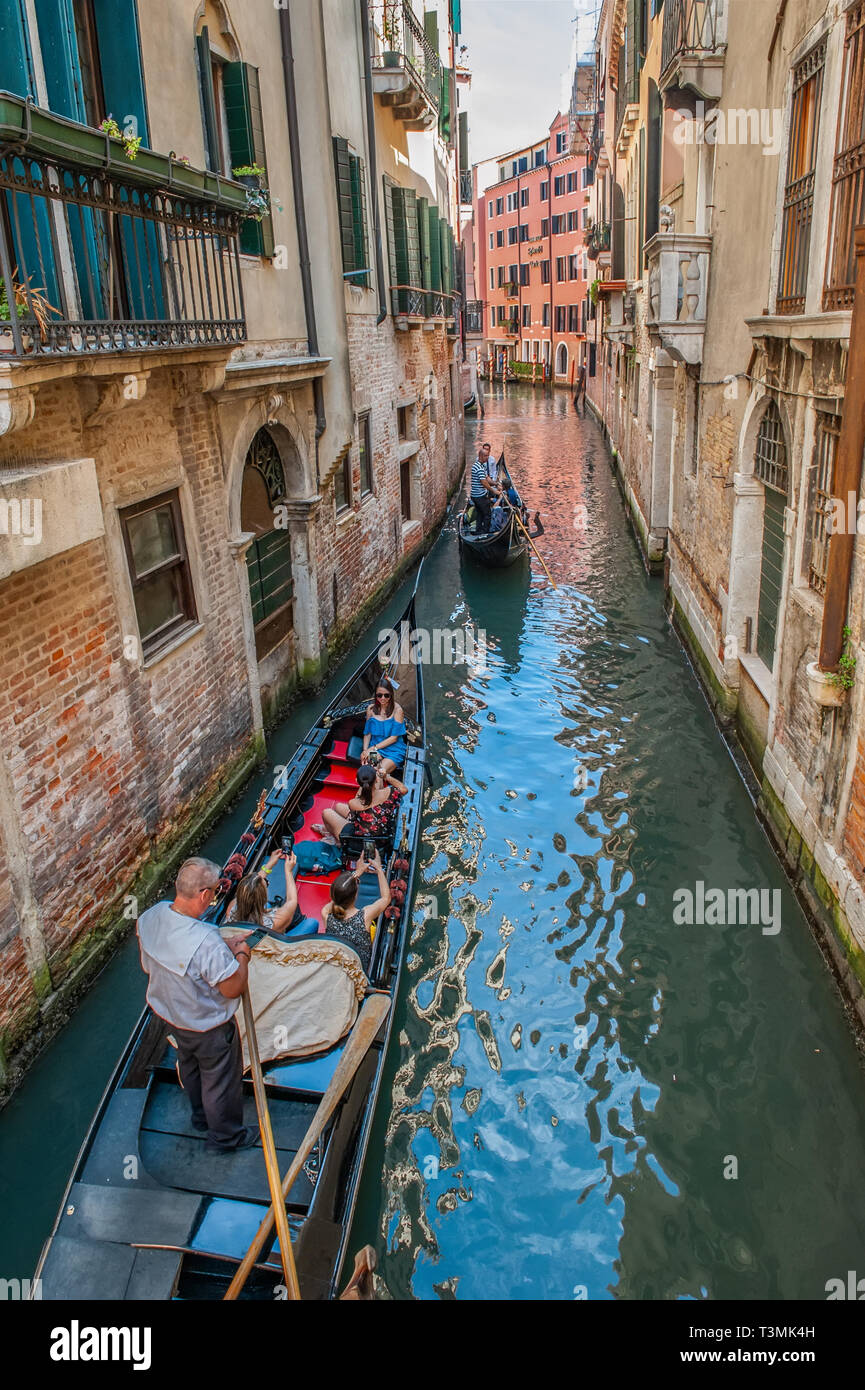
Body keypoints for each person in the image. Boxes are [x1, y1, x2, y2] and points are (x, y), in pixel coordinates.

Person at [136, 857, 257, 1155]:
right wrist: (241, 954)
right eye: (215, 892)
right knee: (219, 1080)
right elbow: (232, 988)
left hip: (170, 1017)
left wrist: (221, 946)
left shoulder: (150, 916)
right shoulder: (205, 942)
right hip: (209, 1027)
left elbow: (173, 956)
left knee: (189, 1066)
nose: (215, 896)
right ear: (204, 895)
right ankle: (226, 1138)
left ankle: (200, 1118)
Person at [320, 851, 391, 973]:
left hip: (337, 965)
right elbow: (386, 898)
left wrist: (355, 875)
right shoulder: (365, 916)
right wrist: (379, 869)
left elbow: (336, 898)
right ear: (355, 894)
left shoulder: (326, 915)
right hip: (358, 969)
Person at [227, 849, 318, 938]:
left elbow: (252, 885)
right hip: (270, 945)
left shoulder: (231, 908)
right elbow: (292, 901)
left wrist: (270, 864)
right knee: (312, 923)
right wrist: (289, 871)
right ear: (263, 897)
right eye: (266, 883)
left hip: (247, 937)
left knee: (268, 905)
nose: (267, 883)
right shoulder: (274, 921)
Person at [314, 762, 407, 844]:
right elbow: (404, 789)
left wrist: (364, 782)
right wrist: (386, 776)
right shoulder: (390, 792)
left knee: (326, 812)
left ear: (357, 782)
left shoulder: (354, 803)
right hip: (383, 833)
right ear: (377, 780)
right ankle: (332, 832)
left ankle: (334, 838)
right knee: (338, 807)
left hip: (361, 841)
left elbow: (356, 810)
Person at [360, 682, 406, 775]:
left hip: (394, 750)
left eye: (386, 695)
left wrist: (373, 748)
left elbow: (394, 738)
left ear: (391, 695)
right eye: (379, 695)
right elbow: (368, 733)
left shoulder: (398, 710)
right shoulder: (371, 709)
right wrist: (365, 751)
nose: (383, 698)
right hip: (376, 748)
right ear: (376, 695)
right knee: (371, 770)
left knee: (380, 773)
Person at [470, 442, 501, 534]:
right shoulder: (478, 468)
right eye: (486, 456)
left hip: (476, 496)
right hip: (479, 496)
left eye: (488, 455)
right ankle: (485, 532)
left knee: (480, 514)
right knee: (487, 514)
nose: (488, 458)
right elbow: (484, 483)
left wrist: (496, 484)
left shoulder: (480, 466)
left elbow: (487, 478)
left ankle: (478, 530)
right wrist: (494, 491)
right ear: (481, 456)